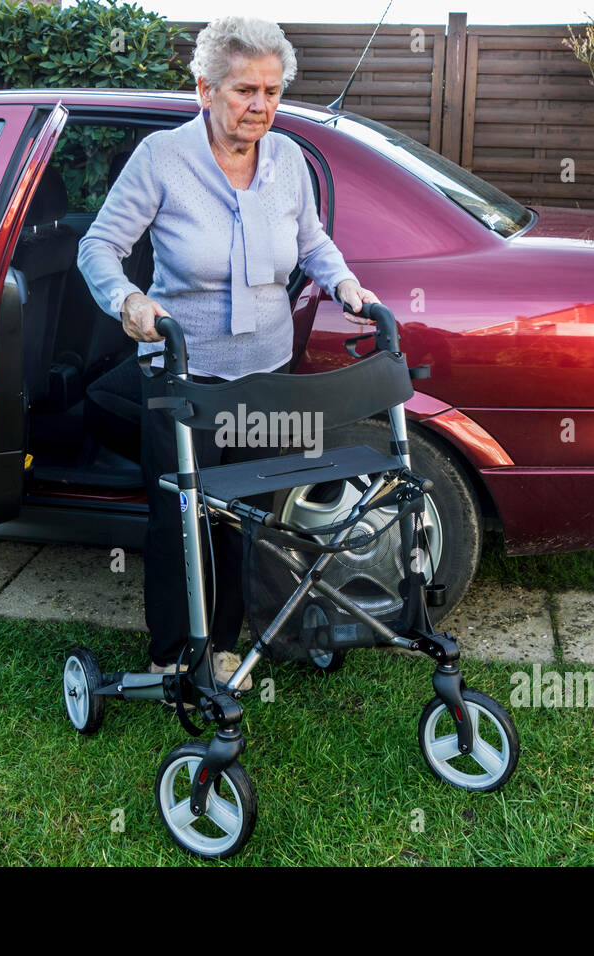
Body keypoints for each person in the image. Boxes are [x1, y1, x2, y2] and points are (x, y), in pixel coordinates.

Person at [76, 15, 381, 688]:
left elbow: (311, 242)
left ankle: (221, 646)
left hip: (264, 374)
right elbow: (98, 247)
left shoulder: (288, 161)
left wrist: (343, 282)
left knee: (248, 517)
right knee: (180, 516)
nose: (261, 106)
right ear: (204, 88)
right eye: (246, 90)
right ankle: (171, 652)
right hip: (183, 374)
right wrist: (128, 302)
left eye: (272, 91)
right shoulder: (162, 159)